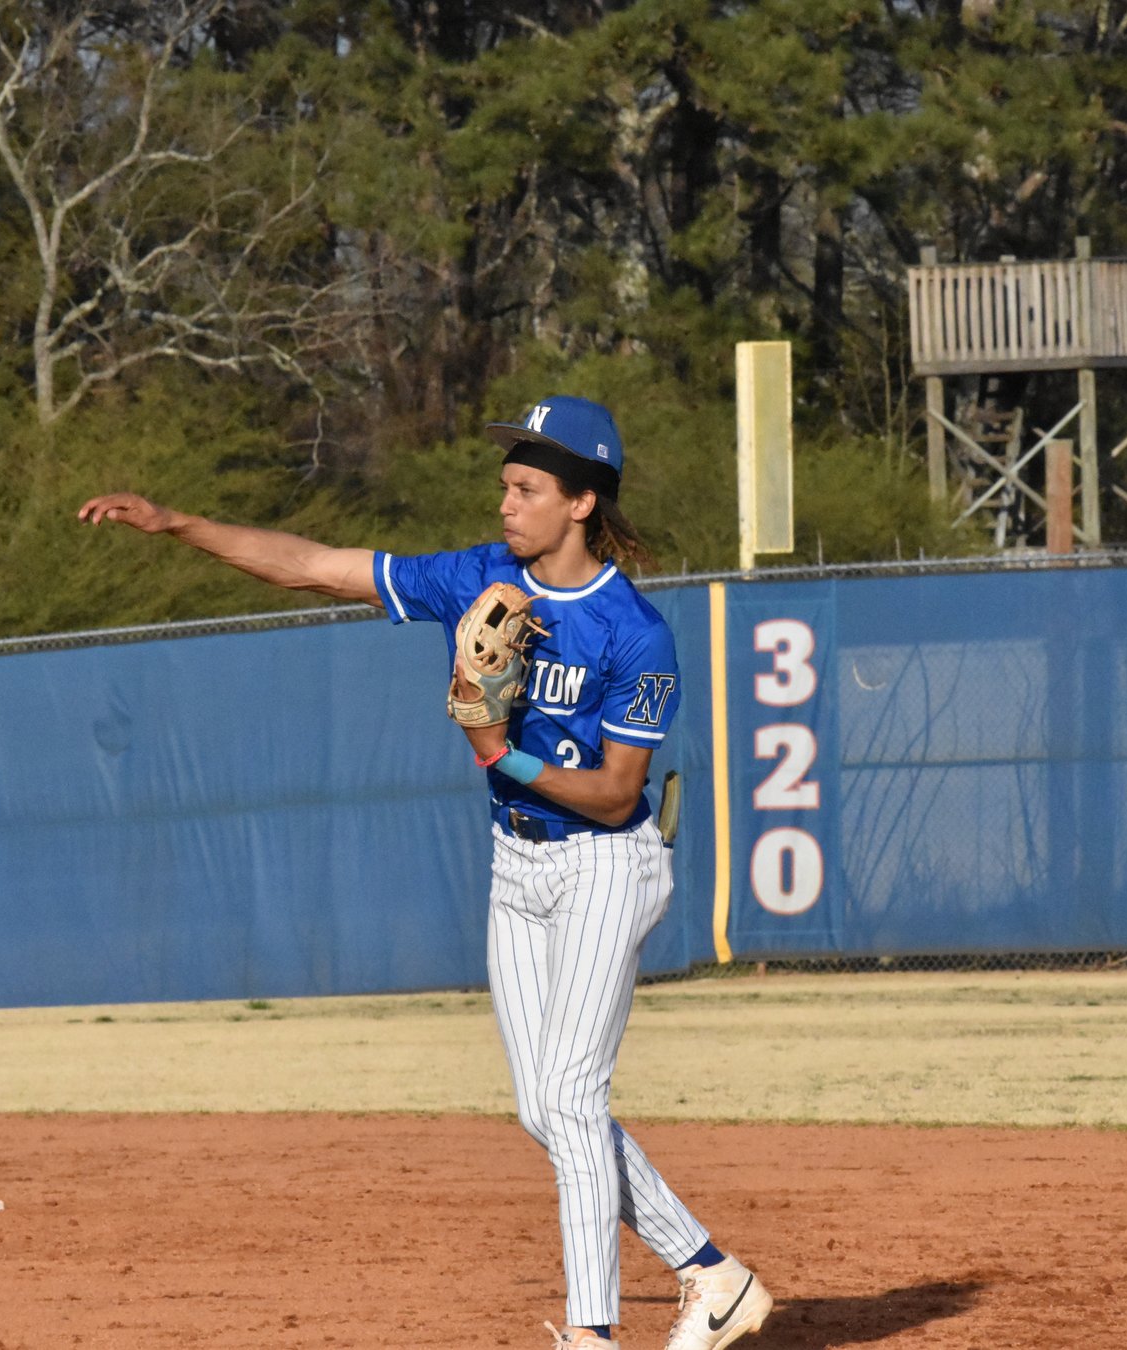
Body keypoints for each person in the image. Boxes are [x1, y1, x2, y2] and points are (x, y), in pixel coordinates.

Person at [77, 395, 772, 1350]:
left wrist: (500, 752)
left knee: (570, 1101)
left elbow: (616, 795)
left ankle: (592, 1334)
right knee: (546, 1109)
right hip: (516, 865)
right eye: (505, 486)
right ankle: (712, 1276)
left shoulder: (632, 633)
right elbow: (318, 567)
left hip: (608, 867)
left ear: (580, 503)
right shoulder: (479, 577)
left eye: (527, 488)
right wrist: (179, 524)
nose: (506, 504)